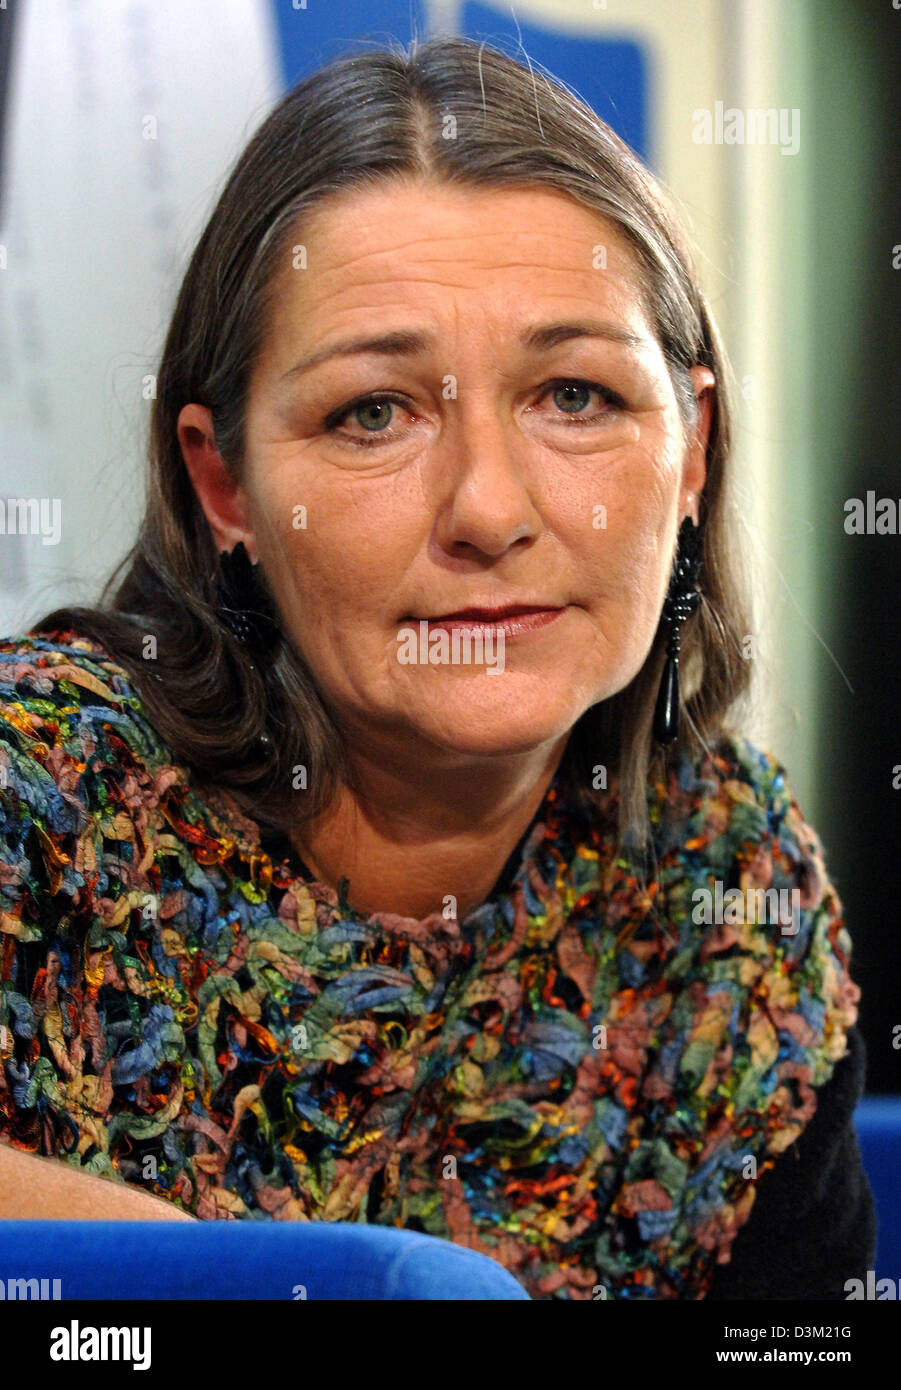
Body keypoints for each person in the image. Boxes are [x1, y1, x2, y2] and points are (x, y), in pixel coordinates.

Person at [0, 35, 874, 1300]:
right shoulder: (38, 797)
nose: (487, 509)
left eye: (573, 397)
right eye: (375, 412)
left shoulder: (726, 888)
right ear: (225, 485)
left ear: (690, 452)